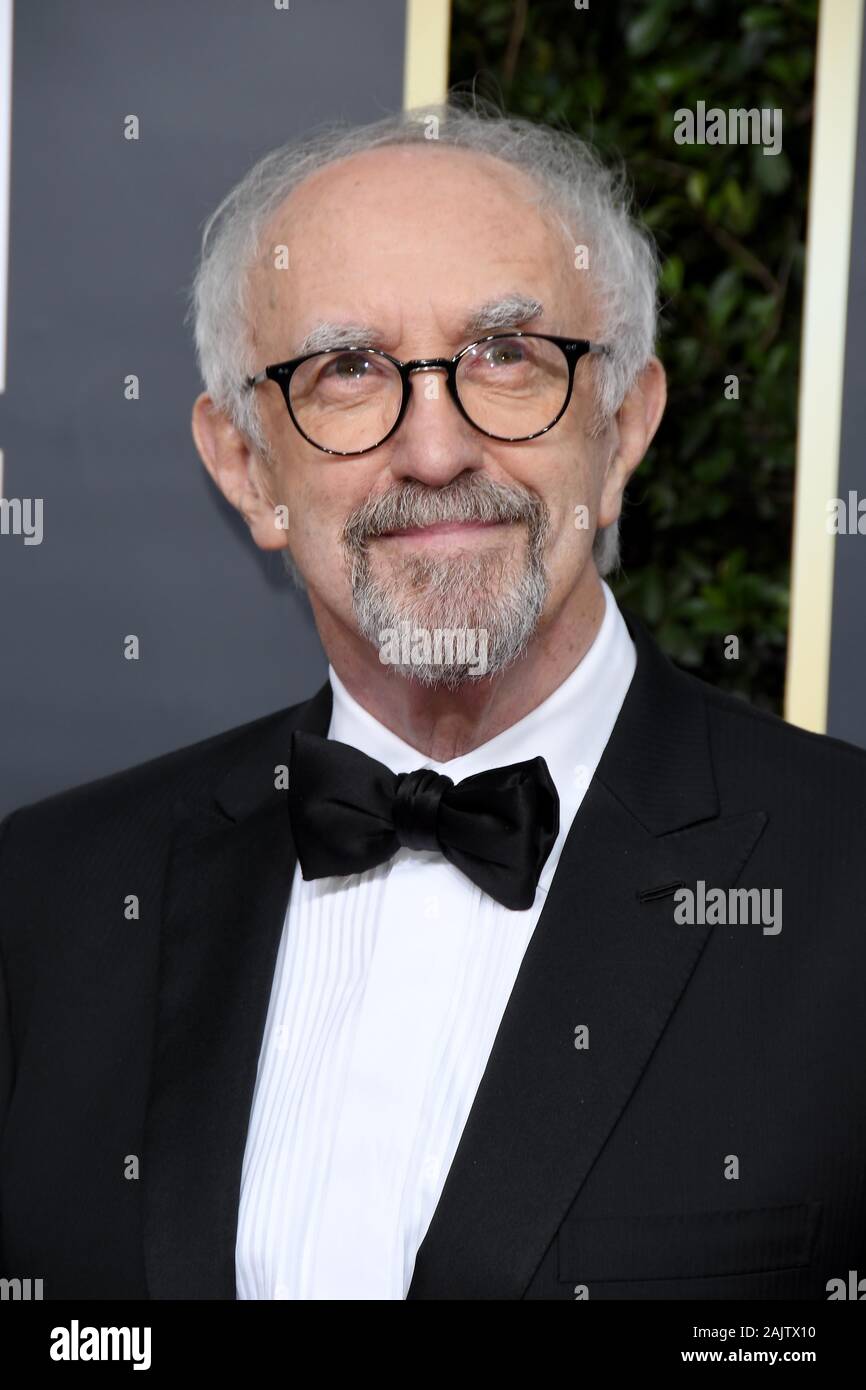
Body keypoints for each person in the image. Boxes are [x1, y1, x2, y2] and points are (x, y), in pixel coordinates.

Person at [1, 99, 864, 1301]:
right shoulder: (43, 905)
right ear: (248, 466)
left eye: (506, 354)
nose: (435, 447)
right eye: (348, 368)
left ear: (621, 429)